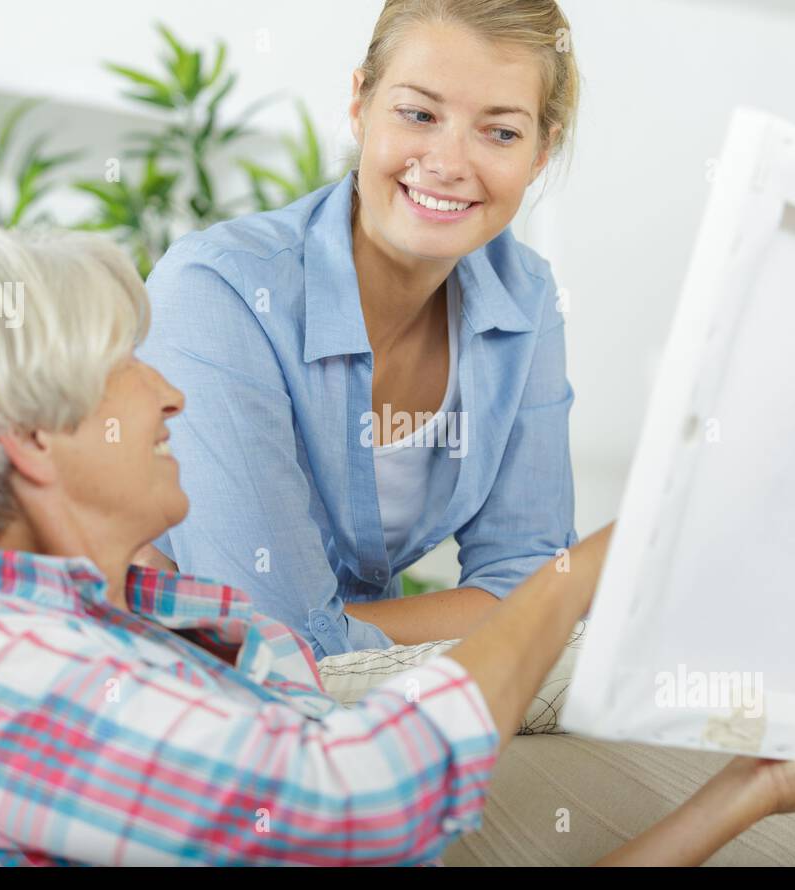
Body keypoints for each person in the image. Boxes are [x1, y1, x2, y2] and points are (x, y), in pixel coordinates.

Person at [0, 226, 795, 866]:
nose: (169, 389)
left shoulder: (182, 630)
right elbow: (349, 799)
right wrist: (595, 561)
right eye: (122, 362)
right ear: (32, 438)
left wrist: (753, 789)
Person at [137, 0, 584, 657]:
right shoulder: (220, 292)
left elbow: (532, 588)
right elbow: (274, 646)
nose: (448, 162)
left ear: (541, 153)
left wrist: (331, 633)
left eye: (501, 132)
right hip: (158, 691)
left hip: (348, 704)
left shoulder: (525, 298)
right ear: (360, 103)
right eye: (420, 114)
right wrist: (328, 634)